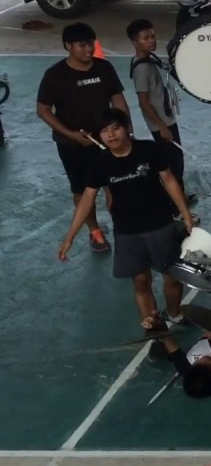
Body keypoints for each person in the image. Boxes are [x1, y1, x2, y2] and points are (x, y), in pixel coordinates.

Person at [57, 109, 195, 327]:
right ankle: (153, 326)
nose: (111, 135)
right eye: (104, 131)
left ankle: (174, 313)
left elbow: (168, 180)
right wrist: (70, 237)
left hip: (160, 225)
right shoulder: (99, 164)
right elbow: (87, 200)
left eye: (116, 128)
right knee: (140, 281)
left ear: (127, 129)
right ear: (99, 136)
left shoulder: (150, 150)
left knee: (173, 277)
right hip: (127, 231)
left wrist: (185, 214)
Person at [38, 22, 131, 254]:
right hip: (72, 145)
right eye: (82, 45)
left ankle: (123, 229)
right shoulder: (55, 75)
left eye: (91, 43)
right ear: (68, 46)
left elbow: (118, 100)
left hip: (107, 140)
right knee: (82, 190)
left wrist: (125, 130)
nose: (88, 49)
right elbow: (43, 109)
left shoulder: (104, 68)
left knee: (115, 184)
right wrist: (70, 134)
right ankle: (95, 231)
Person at [126, 18, 196, 211]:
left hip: (166, 119)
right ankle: (175, 207)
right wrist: (162, 126)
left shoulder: (149, 60)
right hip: (161, 124)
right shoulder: (141, 68)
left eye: (153, 36)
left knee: (176, 163)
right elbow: (143, 102)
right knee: (173, 166)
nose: (151, 41)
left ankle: (179, 197)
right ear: (135, 42)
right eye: (146, 38)